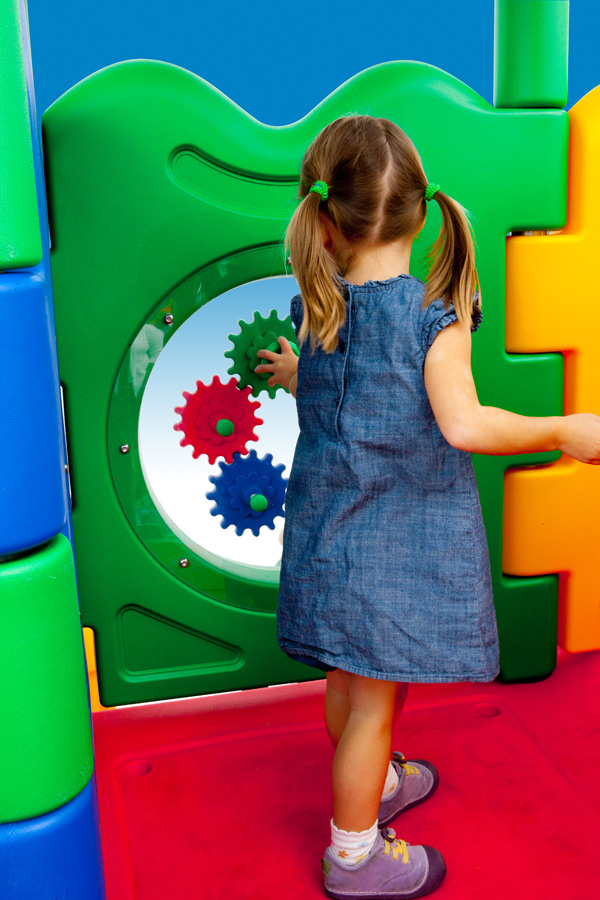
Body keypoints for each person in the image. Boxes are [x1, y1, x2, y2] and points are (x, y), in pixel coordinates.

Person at [255, 115, 600, 900]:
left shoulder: (323, 300)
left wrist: (293, 375)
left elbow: (350, 391)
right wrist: (565, 430)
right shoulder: (429, 317)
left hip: (328, 539)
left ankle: (369, 787)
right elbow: (464, 424)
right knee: (373, 701)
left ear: (327, 222)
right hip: (392, 547)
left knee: (351, 686)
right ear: (419, 210)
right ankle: (354, 856)